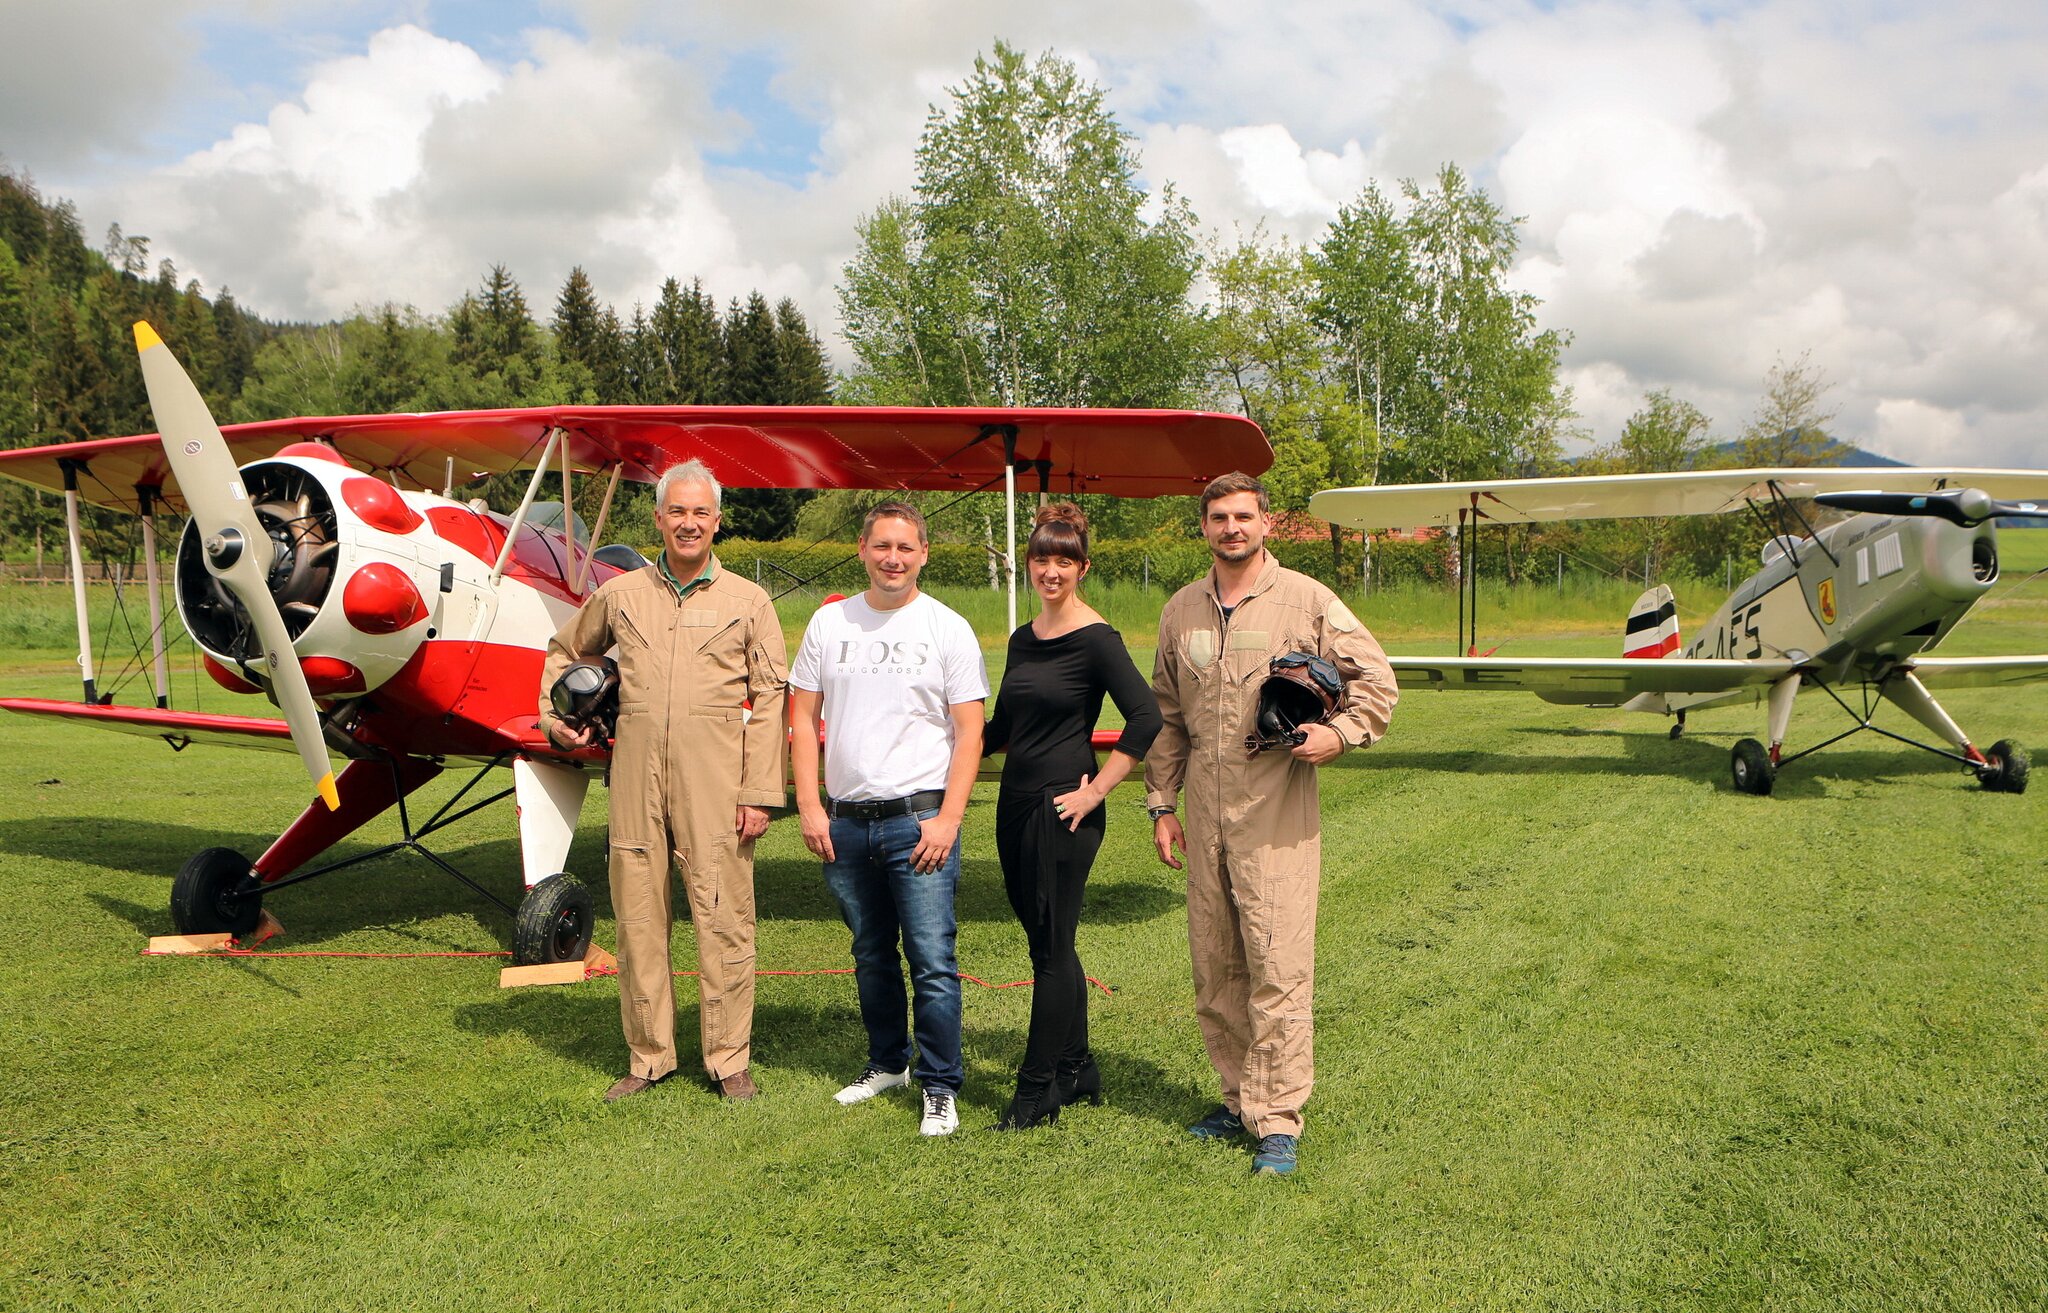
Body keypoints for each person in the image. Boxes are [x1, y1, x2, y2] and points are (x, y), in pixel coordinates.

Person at [1145, 471, 1398, 1176]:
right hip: (1205, 817)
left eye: (1244, 516)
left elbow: (1377, 679)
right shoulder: (1180, 612)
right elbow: (1167, 717)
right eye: (1219, 517)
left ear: (1268, 522)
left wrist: (1340, 734)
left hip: (1276, 815)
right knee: (1215, 966)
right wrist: (1161, 802)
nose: (1232, 527)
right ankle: (1235, 1099)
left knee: (1277, 967)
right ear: (1204, 526)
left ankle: (1278, 1119)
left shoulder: (1308, 600)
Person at [538, 459, 788, 1104]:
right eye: (676, 511)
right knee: (639, 918)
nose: (688, 523)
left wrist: (760, 792)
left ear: (717, 522)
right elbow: (565, 652)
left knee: (725, 917)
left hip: (716, 784)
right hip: (636, 780)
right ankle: (648, 1057)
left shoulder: (748, 601)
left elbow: (770, 698)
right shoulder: (621, 595)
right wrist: (558, 720)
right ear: (658, 518)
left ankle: (728, 1058)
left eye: (700, 512)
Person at [788, 501, 987, 1137]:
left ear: (924, 553)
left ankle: (939, 1085)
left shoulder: (947, 628)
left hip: (920, 820)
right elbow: (800, 717)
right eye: (882, 547)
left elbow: (969, 730)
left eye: (905, 547)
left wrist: (949, 819)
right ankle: (886, 1065)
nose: (893, 558)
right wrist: (811, 804)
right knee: (871, 954)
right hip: (844, 821)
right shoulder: (828, 623)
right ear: (862, 549)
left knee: (931, 958)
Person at [982, 503, 1161, 1130]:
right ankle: (1079, 1065)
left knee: (1052, 952)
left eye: (1064, 560)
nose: (1051, 570)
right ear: (1028, 564)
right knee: (1046, 944)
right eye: (1041, 558)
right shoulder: (1022, 639)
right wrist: (935, 746)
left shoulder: (1097, 639)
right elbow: (1001, 728)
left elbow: (1147, 717)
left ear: (1082, 567)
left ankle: (1037, 1091)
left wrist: (1097, 792)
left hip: (1065, 811)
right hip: (1014, 806)